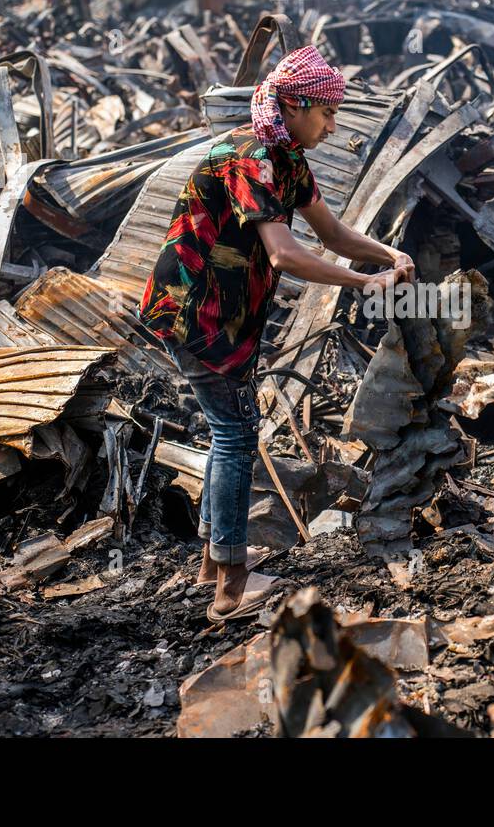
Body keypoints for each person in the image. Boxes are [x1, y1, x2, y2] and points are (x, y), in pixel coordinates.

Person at [138, 46, 414, 621]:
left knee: (226, 432)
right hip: (198, 311)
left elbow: (332, 233)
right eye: (326, 114)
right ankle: (232, 588)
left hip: (226, 313)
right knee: (237, 435)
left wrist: (387, 252)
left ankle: (216, 564)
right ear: (292, 105)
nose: (333, 126)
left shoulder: (287, 156)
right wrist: (366, 283)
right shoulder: (253, 157)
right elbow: (286, 255)